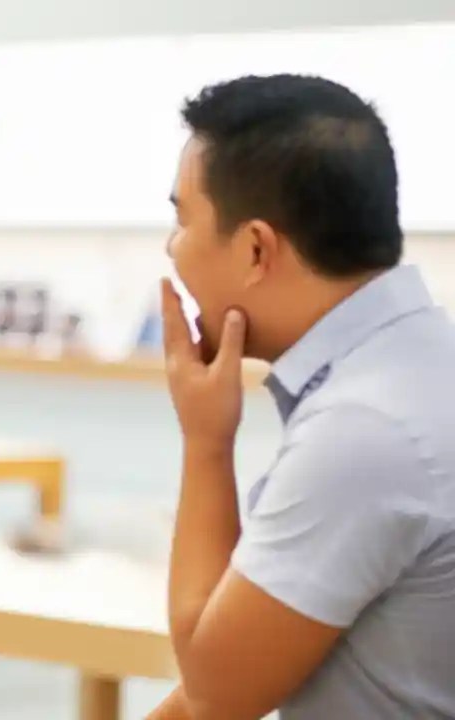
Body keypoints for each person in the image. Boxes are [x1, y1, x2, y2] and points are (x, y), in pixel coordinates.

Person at [150, 73, 455, 719]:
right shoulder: (417, 363)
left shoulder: (364, 429)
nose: (173, 248)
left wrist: (205, 441)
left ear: (256, 248)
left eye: (182, 220)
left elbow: (215, 693)